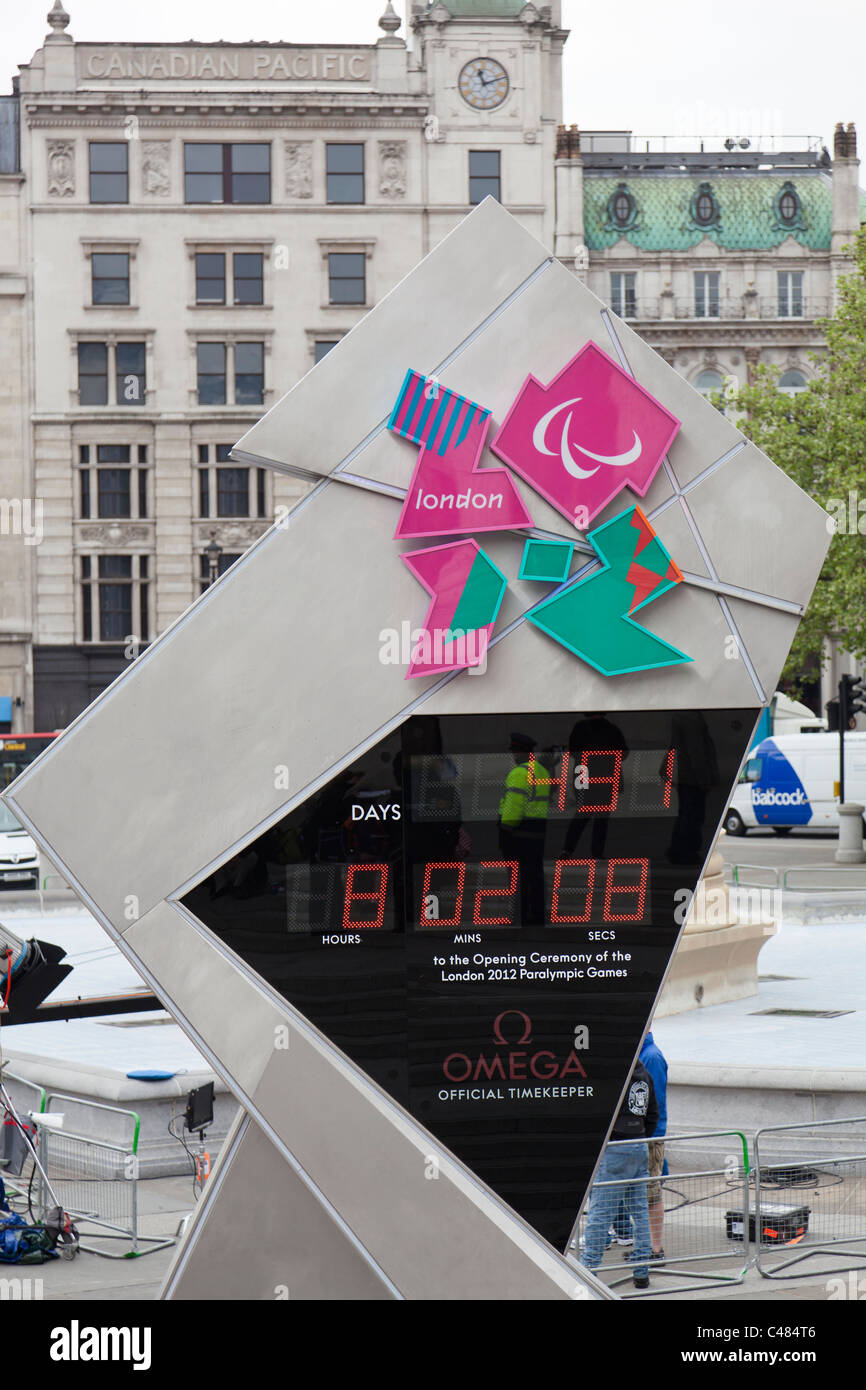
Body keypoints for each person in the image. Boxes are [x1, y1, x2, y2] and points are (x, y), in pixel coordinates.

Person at [580, 1060, 658, 1290]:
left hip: (615, 1146)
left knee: (600, 1214)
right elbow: (653, 1112)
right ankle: (642, 1272)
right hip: (639, 1143)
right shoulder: (643, 1072)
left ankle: (587, 1272)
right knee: (640, 1212)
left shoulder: (612, 1070)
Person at [498, 732, 549, 926]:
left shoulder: (519, 773)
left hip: (518, 833)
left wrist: (505, 827)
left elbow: (514, 804)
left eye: (514, 751)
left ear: (519, 752)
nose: (513, 755)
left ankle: (519, 914)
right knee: (535, 873)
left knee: (517, 877)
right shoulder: (541, 771)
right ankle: (537, 912)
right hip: (538, 831)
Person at [640, 1030, 668, 1261]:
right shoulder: (645, 1054)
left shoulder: (651, 1057)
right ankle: (646, 1246)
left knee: (652, 1193)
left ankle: (655, 1249)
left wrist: (649, 1135)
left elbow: (654, 1102)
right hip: (643, 1135)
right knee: (643, 1194)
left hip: (649, 1136)